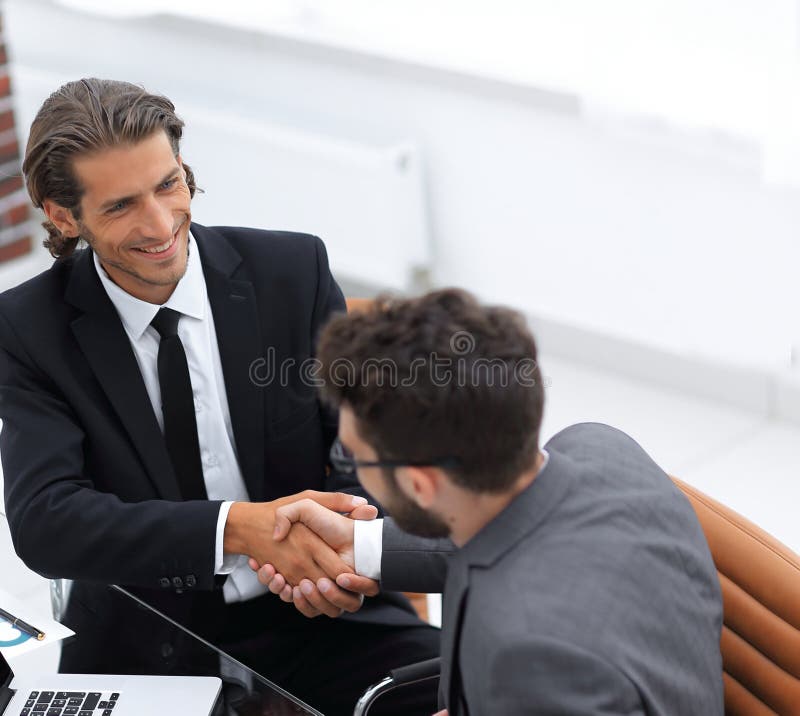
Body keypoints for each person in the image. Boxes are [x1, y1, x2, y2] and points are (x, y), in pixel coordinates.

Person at [0, 78, 440, 715]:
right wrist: (240, 529)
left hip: (333, 625)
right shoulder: (26, 328)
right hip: (142, 646)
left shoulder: (294, 272)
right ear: (64, 216)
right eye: (121, 206)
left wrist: (341, 557)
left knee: (483, 688)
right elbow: (46, 521)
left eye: (168, 184)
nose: (159, 225)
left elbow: (373, 456)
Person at [259, 289, 725, 715]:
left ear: (421, 485)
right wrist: (358, 545)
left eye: (353, 456)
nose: (350, 465)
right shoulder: (600, 447)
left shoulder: (525, 653)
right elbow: (518, 536)